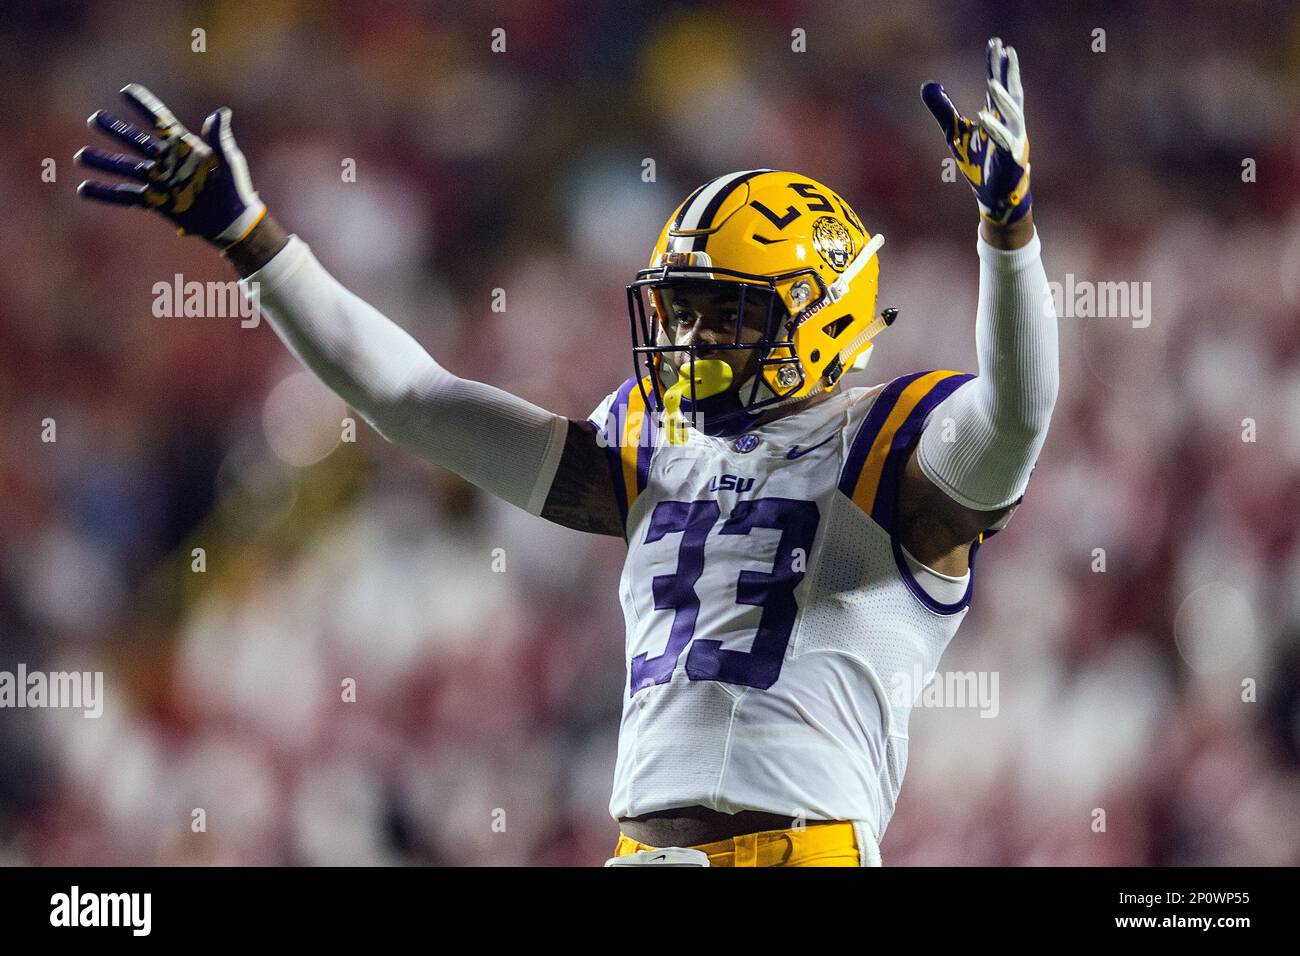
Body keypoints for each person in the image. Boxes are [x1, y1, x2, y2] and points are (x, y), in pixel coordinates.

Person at [76, 37, 1057, 867]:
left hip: (797, 849)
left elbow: (1015, 415)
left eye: (725, 313)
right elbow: (411, 398)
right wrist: (250, 238)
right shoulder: (651, 448)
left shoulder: (884, 454)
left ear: (819, 318)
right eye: (681, 310)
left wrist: (1006, 236)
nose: (690, 339)